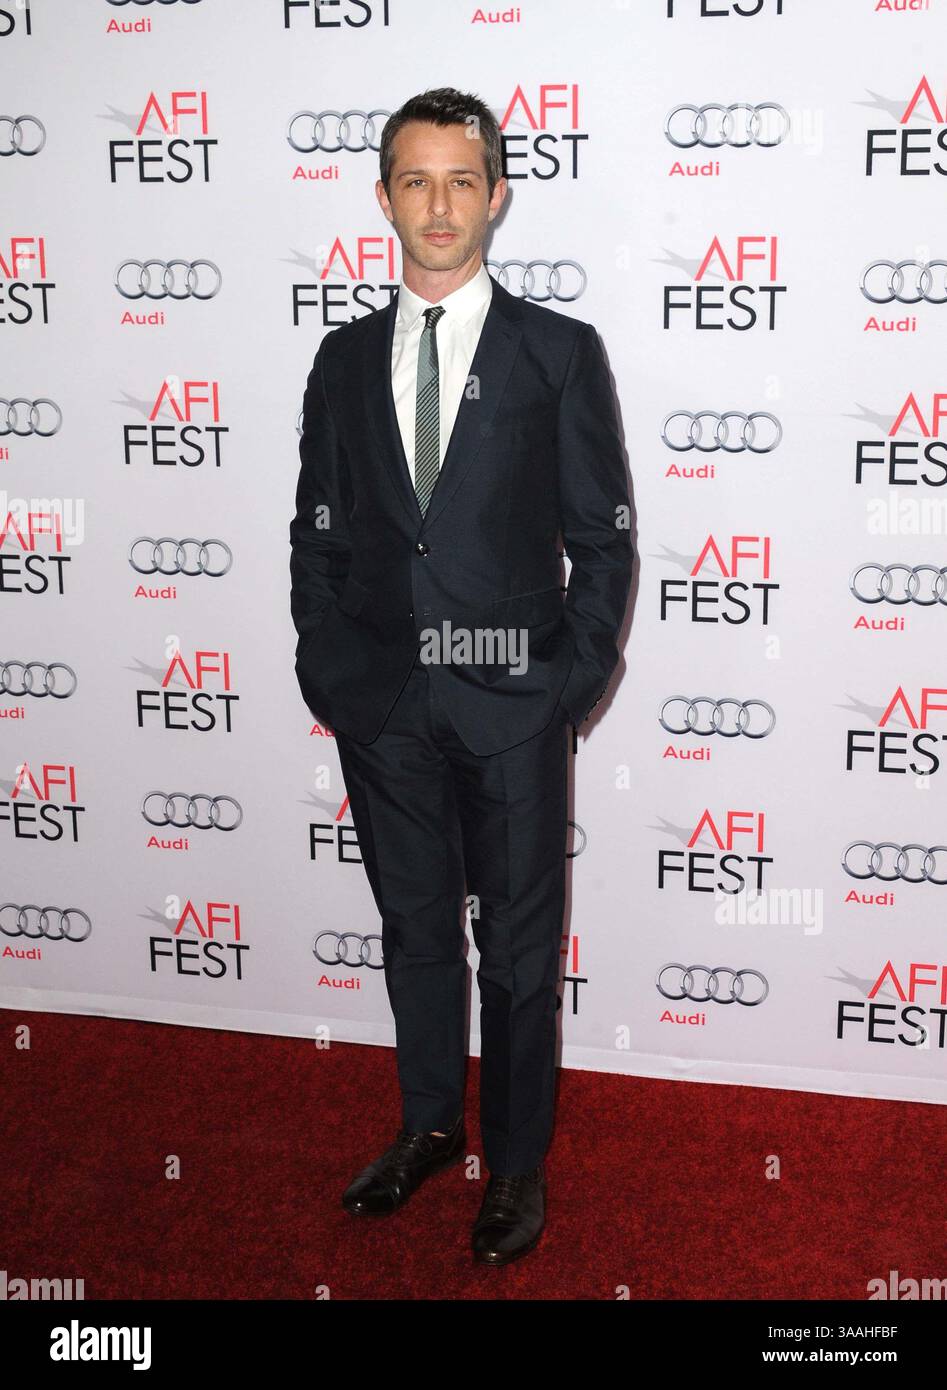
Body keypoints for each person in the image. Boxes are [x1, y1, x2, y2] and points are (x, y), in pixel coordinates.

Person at [289, 87, 633, 1265]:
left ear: (495, 193)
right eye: (413, 181)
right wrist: (325, 662)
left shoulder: (555, 354)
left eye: (459, 180)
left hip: (512, 704)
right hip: (381, 704)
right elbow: (317, 533)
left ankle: (516, 1164)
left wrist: (566, 683)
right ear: (382, 197)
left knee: (523, 954)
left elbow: (604, 539)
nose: (438, 206)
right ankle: (431, 1124)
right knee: (414, 931)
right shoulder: (339, 359)